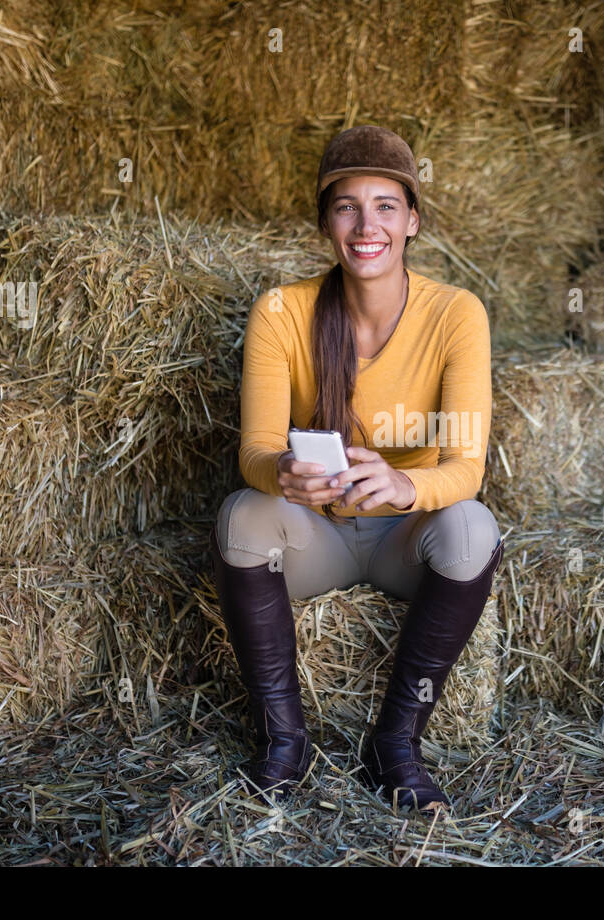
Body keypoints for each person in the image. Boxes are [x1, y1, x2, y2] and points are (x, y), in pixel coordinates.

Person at [209, 125, 504, 815]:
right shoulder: (282, 312)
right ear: (325, 224)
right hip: (323, 536)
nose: (366, 224)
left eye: (385, 206)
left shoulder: (457, 313)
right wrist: (280, 473)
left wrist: (407, 485)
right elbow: (252, 450)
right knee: (241, 517)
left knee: (471, 529)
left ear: (413, 221)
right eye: (345, 206)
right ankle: (285, 743)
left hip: (406, 542)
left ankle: (395, 745)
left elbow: (467, 468)